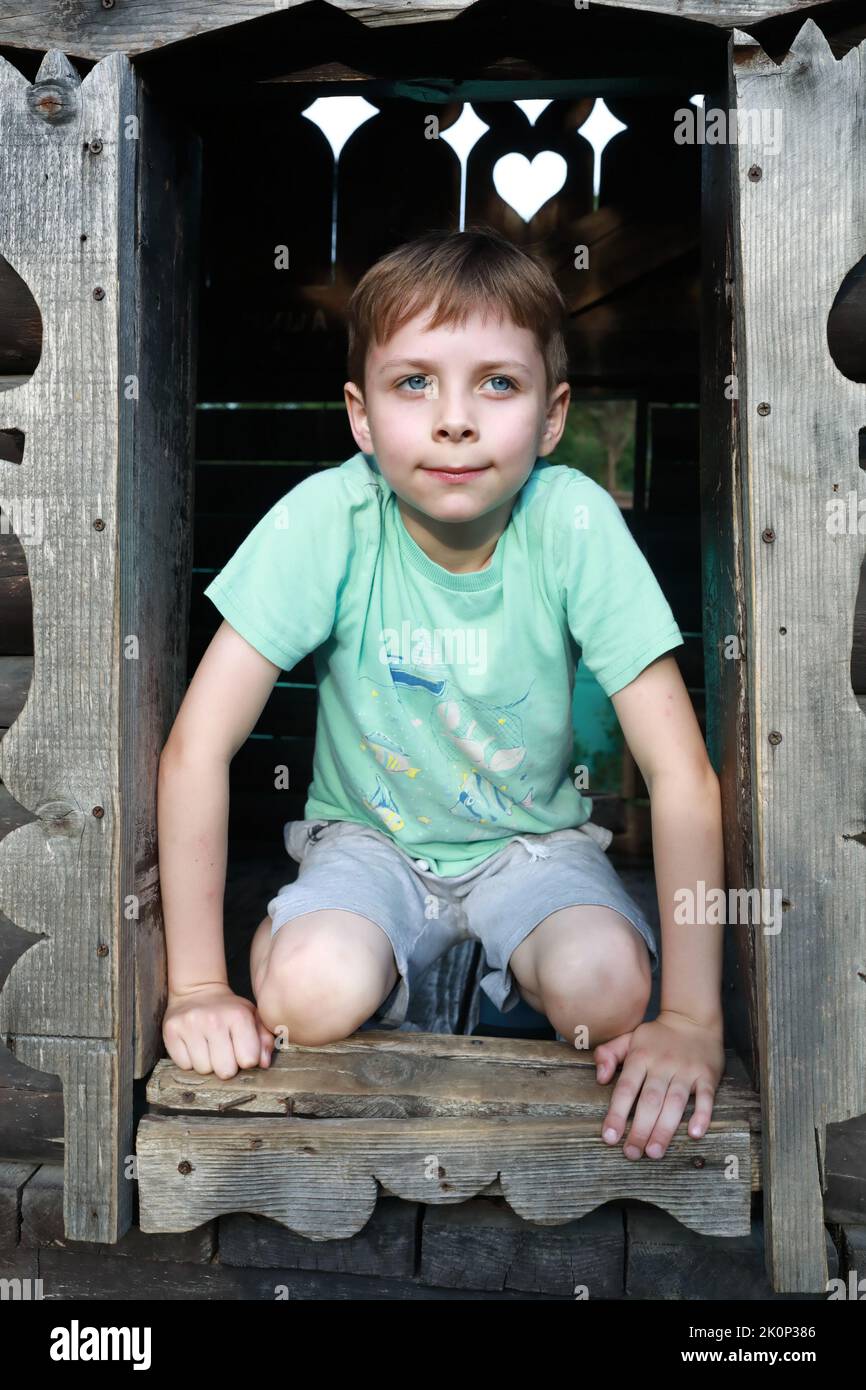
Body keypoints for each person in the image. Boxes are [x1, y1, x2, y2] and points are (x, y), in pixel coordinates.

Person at [157, 225, 726, 1163]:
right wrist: (194, 989)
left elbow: (681, 776)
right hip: (369, 845)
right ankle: (368, 962)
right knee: (311, 995)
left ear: (551, 416)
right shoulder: (327, 521)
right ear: (362, 415)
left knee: (608, 989)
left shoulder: (571, 520)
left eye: (496, 383)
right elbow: (197, 749)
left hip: (528, 850)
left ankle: (487, 982)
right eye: (414, 381)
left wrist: (695, 1019)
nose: (453, 419)